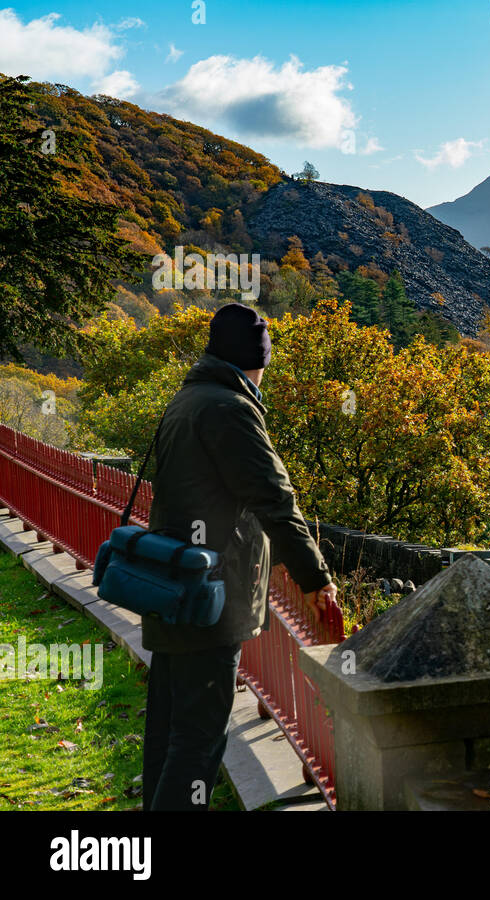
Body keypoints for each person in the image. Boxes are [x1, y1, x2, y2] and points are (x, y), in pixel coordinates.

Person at [141, 302, 335, 811]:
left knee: (169, 729)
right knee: (199, 741)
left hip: (171, 582)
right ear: (259, 358)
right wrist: (316, 578)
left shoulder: (188, 397)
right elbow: (274, 498)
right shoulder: (230, 409)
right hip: (210, 595)